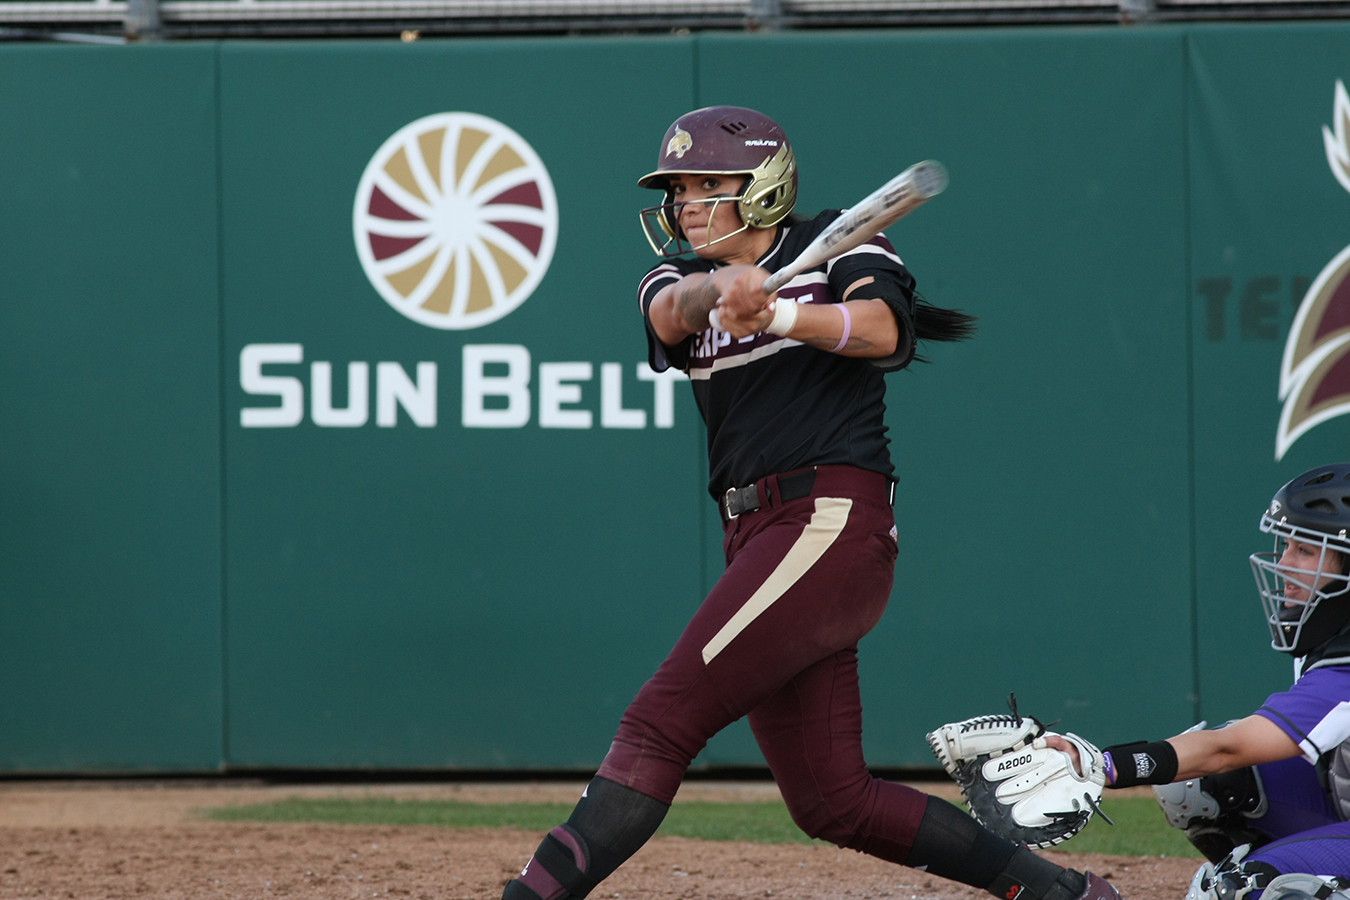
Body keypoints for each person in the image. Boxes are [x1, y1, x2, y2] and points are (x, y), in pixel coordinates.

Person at [500, 106, 1122, 900]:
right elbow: (670, 311)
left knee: (659, 725)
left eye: (707, 184)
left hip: (828, 522)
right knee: (833, 801)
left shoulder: (841, 245)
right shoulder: (677, 278)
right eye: (679, 187)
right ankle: (1065, 893)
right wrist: (723, 289)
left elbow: (885, 331)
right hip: (759, 534)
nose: (686, 202)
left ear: (761, 189)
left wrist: (783, 312)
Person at [1045, 462, 1350, 900]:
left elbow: (1231, 747)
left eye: (1304, 550)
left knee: (1251, 889)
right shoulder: (1332, 633)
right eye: (1286, 545)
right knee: (1191, 786)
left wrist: (1102, 765)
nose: (1283, 564)